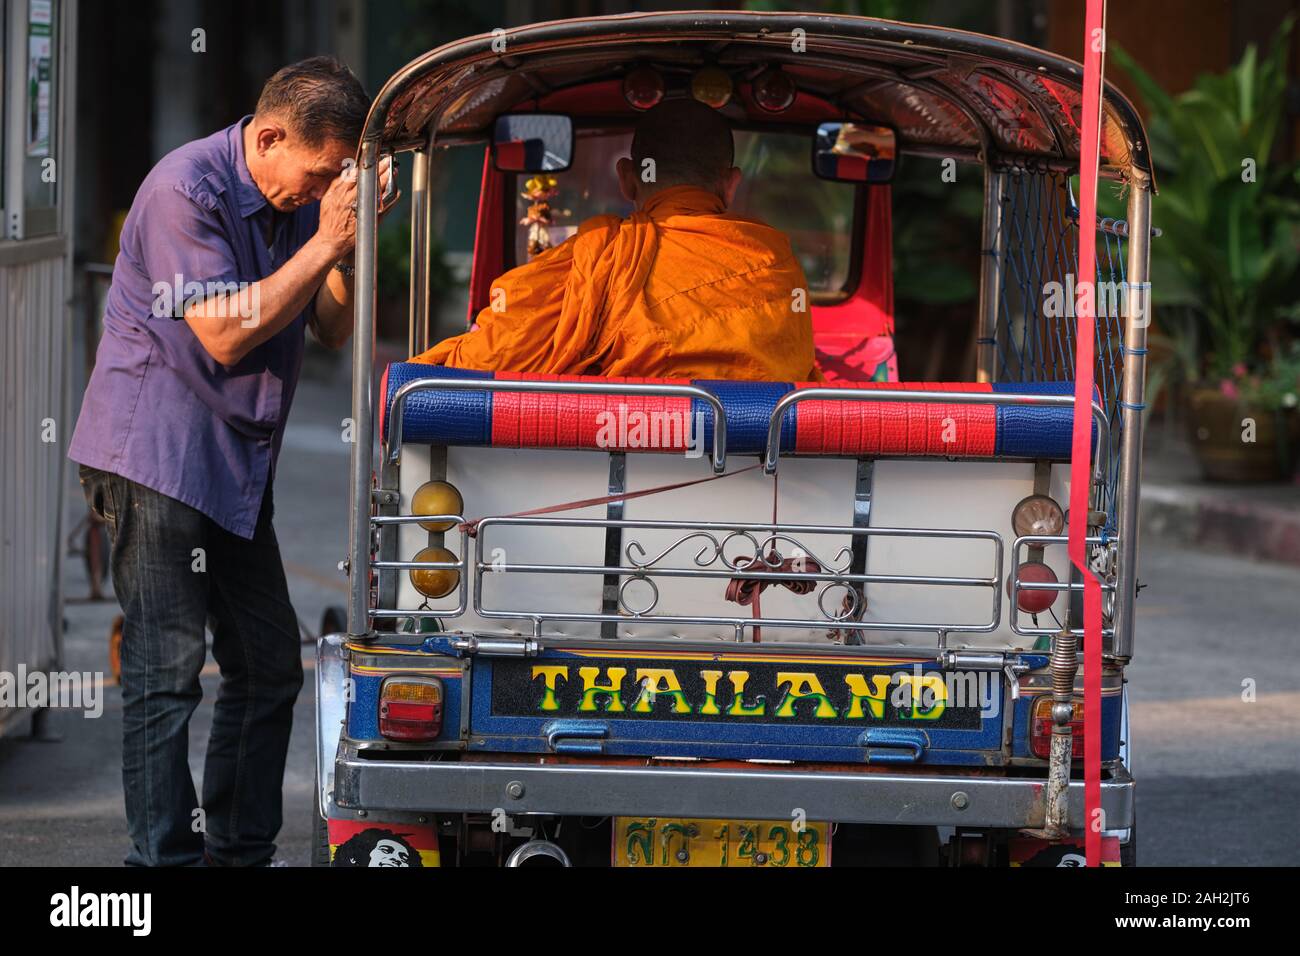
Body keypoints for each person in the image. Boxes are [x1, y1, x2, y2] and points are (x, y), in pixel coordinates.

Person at [69, 57, 392, 867]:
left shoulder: (300, 201)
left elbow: (331, 329)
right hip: (158, 456)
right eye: (319, 173)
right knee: (166, 672)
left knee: (267, 661)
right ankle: (161, 862)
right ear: (272, 135)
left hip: (234, 464)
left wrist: (349, 246)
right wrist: (326, 238)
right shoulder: (188, 190)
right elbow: (222, 330)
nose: (321, 191)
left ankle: (241, 851)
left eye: (335, 182)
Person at [412, 98, 819, 381]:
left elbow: (492, 353)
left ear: (627, 179)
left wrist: (427, 368)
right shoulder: (776, 264)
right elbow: (800, 372)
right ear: (730, 186)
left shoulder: (600, 257)